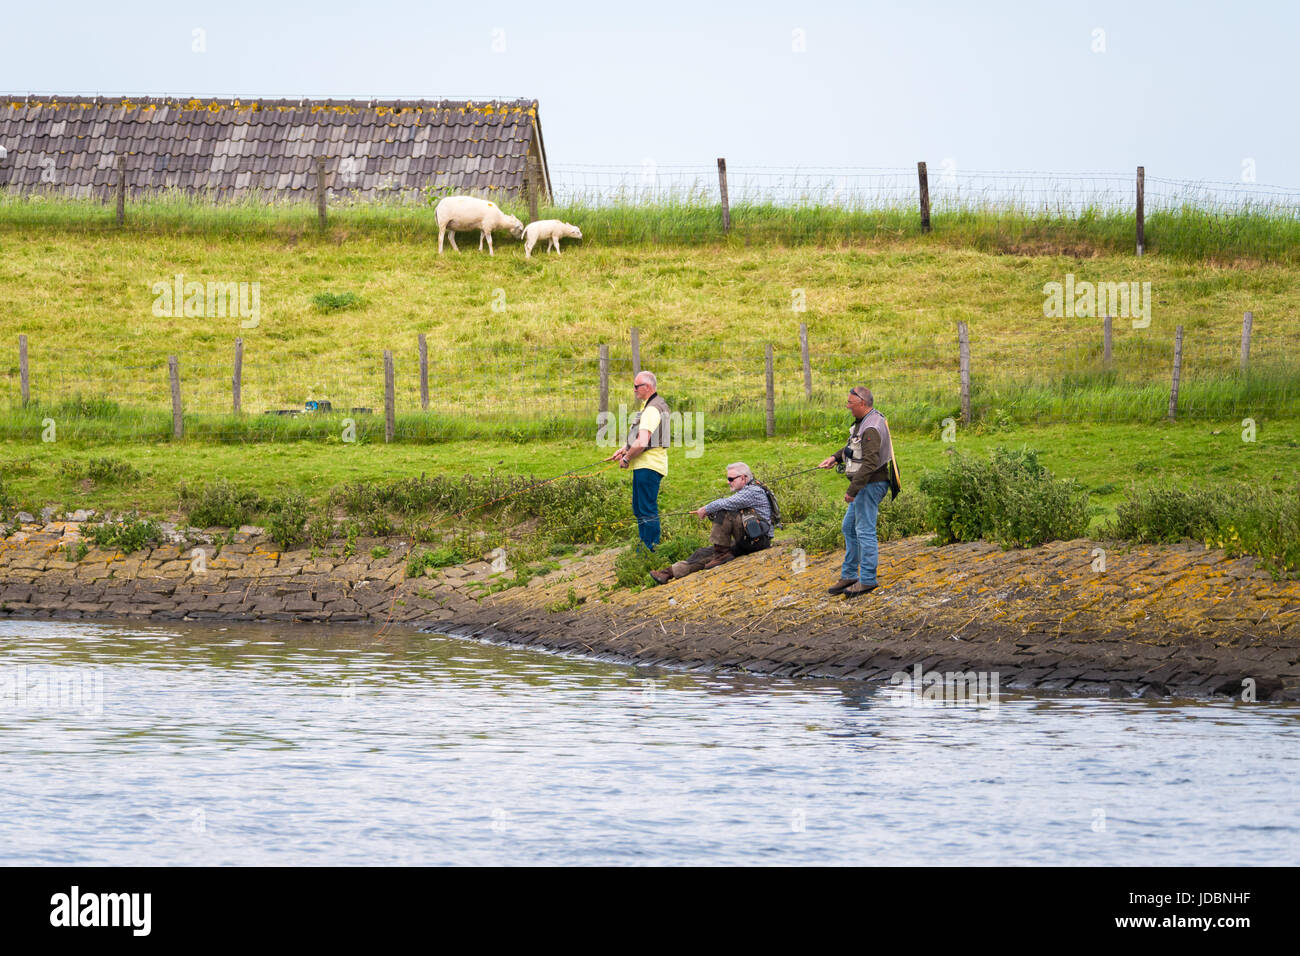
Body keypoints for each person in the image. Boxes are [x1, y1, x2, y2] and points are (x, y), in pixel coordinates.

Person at [818, 386, 894, 599]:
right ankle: (850, 575)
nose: (847, 406)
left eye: (850, 403)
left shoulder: (871, 428)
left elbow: (869, 463)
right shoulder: (867, 420)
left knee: (864, 531)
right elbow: (853, 447)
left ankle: (868, 579)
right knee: (849, 527)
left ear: (862, 403)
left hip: (870, 485)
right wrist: (835, 458)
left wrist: (852, 490)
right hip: (865, 485)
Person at [649, 462, 777, 584]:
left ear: (743, 478)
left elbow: (725, 504)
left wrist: (705, 509)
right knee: (702, 553)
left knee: (723, 511)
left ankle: (721, 554)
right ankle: (667, 573)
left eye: (731, 479)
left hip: (758, 540)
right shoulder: (746, 491)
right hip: (748, 540)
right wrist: (710, 511)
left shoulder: (753, 491)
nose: (728, 482)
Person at [608, 371, 670, 551]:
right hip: (647, 465)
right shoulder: (654, 405)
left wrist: (627, 458)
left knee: (646, 510)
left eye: (637, 386)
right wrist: (625, 449)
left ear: (648, 387)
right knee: (639, 508)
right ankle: (645, 547)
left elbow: (643, 442)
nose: (634, 390)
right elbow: (643, 439)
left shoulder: (651, 410)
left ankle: (650, 551)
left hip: (648, 466)